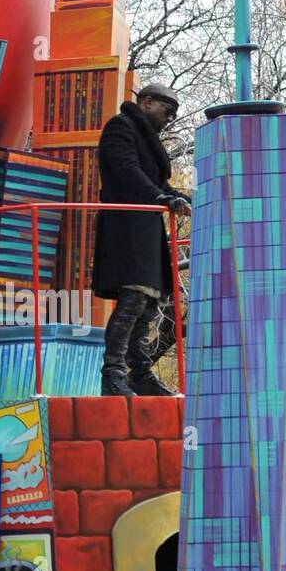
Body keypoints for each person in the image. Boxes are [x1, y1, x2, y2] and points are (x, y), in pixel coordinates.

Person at [92, 81, 192, 396]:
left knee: (149, 304)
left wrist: (189, 200)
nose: (170, 119)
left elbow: (157, 183)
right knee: (132, 299)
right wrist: (162, 197)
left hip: (147, 232)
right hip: (126, 229)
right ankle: (113, 373)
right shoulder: (120, 128)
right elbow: (126, 171)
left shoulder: (149, 141)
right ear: (147, 102)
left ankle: (140, 374)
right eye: (168, 110)